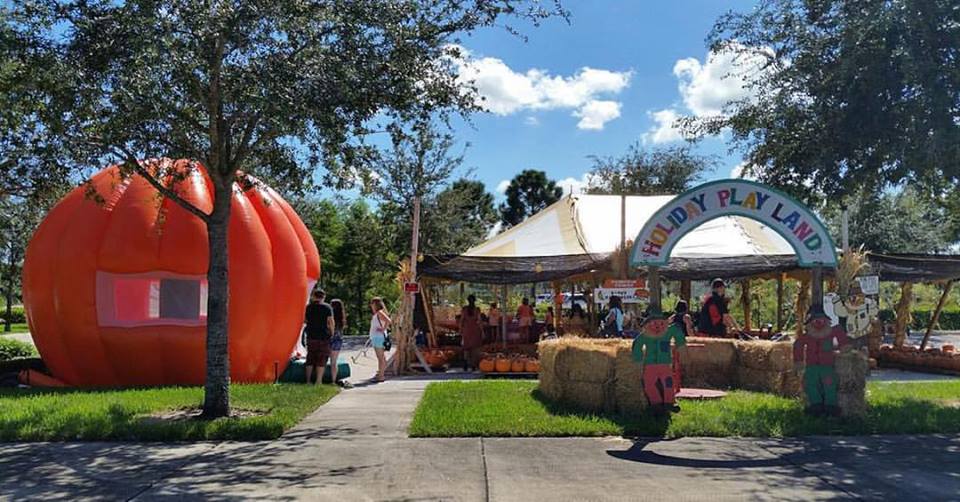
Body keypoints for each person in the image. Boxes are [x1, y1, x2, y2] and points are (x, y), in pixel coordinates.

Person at [632, 308, 688, 414]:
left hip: (664, 363)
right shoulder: (645, 335)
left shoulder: (667, 332)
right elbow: (637, 344)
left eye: (660, 323)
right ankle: (656, 403)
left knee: (668, 382)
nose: (657, 326)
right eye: (653, 323)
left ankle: (669, 402)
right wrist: (638, 357)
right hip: (650, 364)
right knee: (649, 384)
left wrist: (681, 345)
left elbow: (676, 331)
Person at [304, 289, 335, 386]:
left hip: (311, 335)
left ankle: (308, 381)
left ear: (313, 296)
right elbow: (330, 321)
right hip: (323, 336)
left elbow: (305, 320)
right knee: (321, 358)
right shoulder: (327, 307)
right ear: (323, 297)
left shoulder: (308, 307)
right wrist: (332, 332)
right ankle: (318, 381)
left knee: (310, 357)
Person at [369, 297, 392, 382]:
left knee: (380, 357)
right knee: (382, 357)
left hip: (378, 337)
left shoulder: (379, 312)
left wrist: (383, 329)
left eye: (372, 303)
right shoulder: (379, 313)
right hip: (377, 337)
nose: (371, 305)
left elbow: (389, 321)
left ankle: (381, 376)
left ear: (375, 304)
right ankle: (381, 373)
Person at [459, 294, 483, 371]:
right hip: (475, 330)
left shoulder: (464, 309)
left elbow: (461, 320)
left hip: (466, 330)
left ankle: (465, 364)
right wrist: (482, 331)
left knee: (466, 348)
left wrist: (460, 330)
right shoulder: (477, 310)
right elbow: (479, 321)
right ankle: (473, 365)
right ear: (475, 301)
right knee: (474, 348)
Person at [329, 298, 347, 387]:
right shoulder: (341, 319)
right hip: (338, 339)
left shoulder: (329, 316)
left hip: (329, 338)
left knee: (323, 360)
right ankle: (333, 380)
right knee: (334, 362)